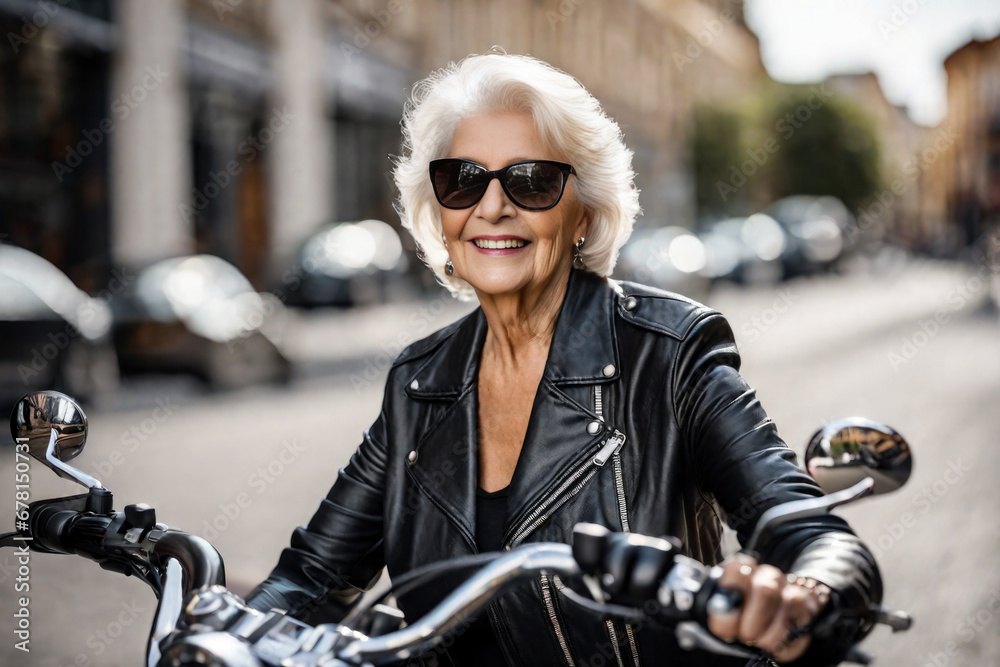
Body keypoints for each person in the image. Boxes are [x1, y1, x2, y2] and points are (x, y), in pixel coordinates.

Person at [246, 52, 881, 666]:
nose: (492, 206)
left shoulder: (670, 353)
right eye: (462, 180)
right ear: (440, 216)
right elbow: (311, 577)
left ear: (584, 213)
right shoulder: (418, 383)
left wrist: (806, 593)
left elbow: (805, 529)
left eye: (531, 181)